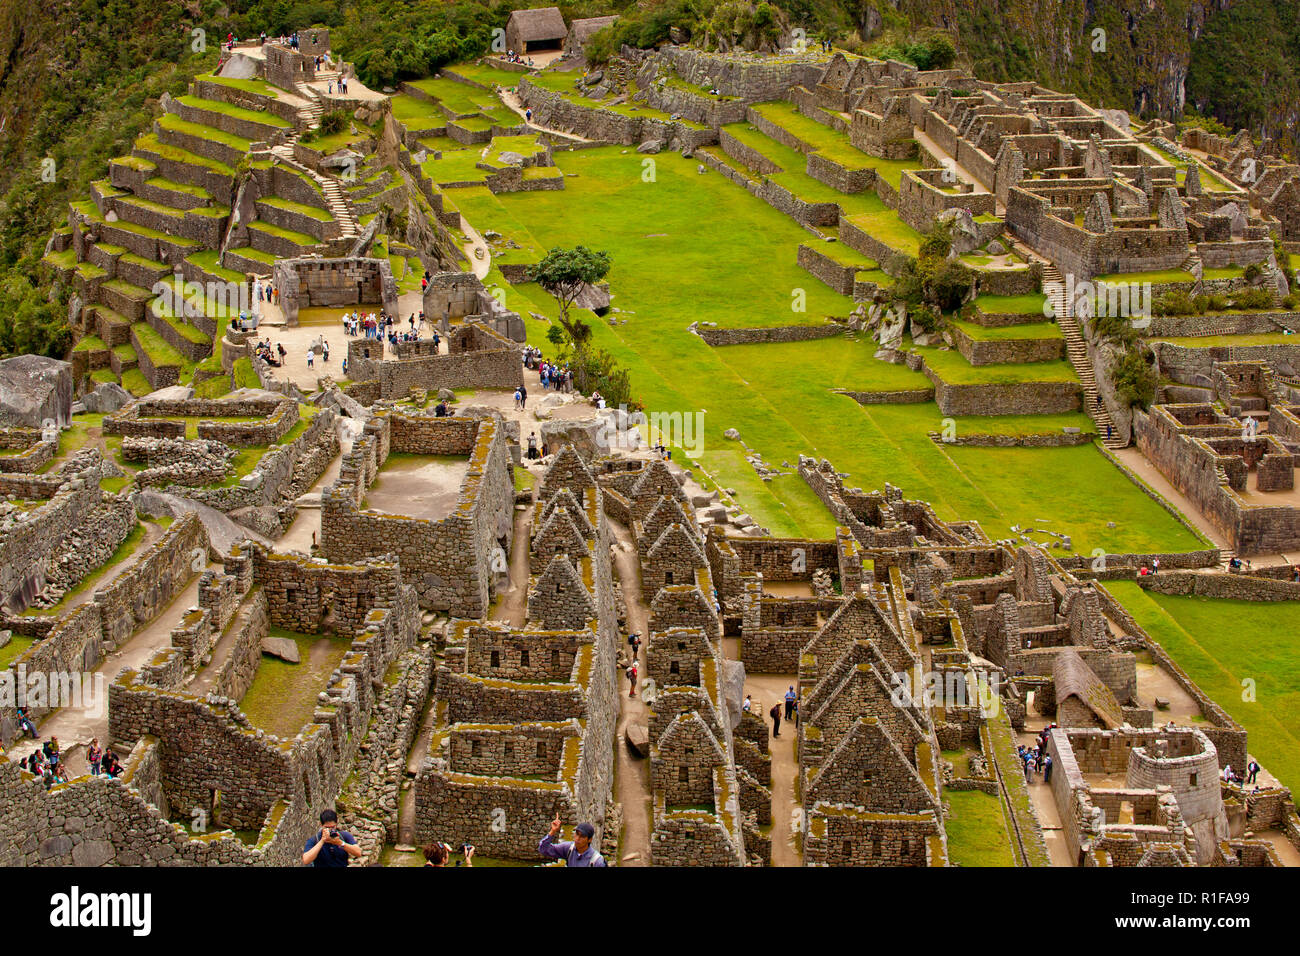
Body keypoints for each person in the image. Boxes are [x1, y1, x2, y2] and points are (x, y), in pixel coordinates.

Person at [538, 816, 606, 867]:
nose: (577, 838)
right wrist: (553, 831)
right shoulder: (569, 849)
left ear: (589, 840)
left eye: (582, 836)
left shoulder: (597, 861)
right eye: (577, 834)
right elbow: (543, 849)